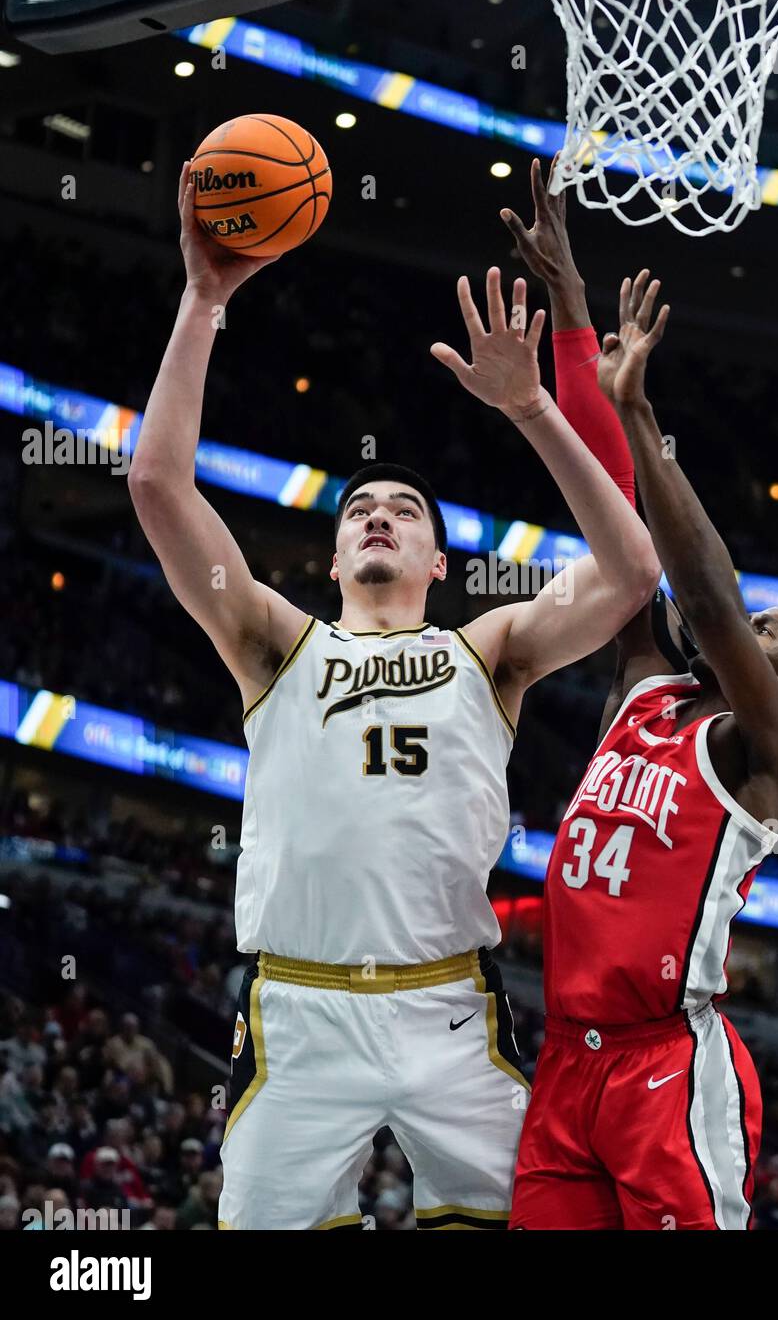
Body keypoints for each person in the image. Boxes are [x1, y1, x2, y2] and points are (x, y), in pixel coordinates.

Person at [127, 165, 659, 1230]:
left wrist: (531, 410)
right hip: (301, 1009)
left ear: (438, 560)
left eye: (403, 509)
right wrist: (202, 300)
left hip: (449, 1012)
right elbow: (156, 485)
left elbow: (632, 573)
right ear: (328, 559)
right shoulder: (273, 642)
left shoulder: (489, 647)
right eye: (359, 509)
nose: (377, 515)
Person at [502, 158, 778, 1230]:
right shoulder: (643, 689)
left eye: (767, 633)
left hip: (667, 1070)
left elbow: (703, 592)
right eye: (756, 619)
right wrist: (570, 309)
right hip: (565, 1062)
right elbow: (617, 516)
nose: (748, 628)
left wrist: (645, 416)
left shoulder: (772, 746)